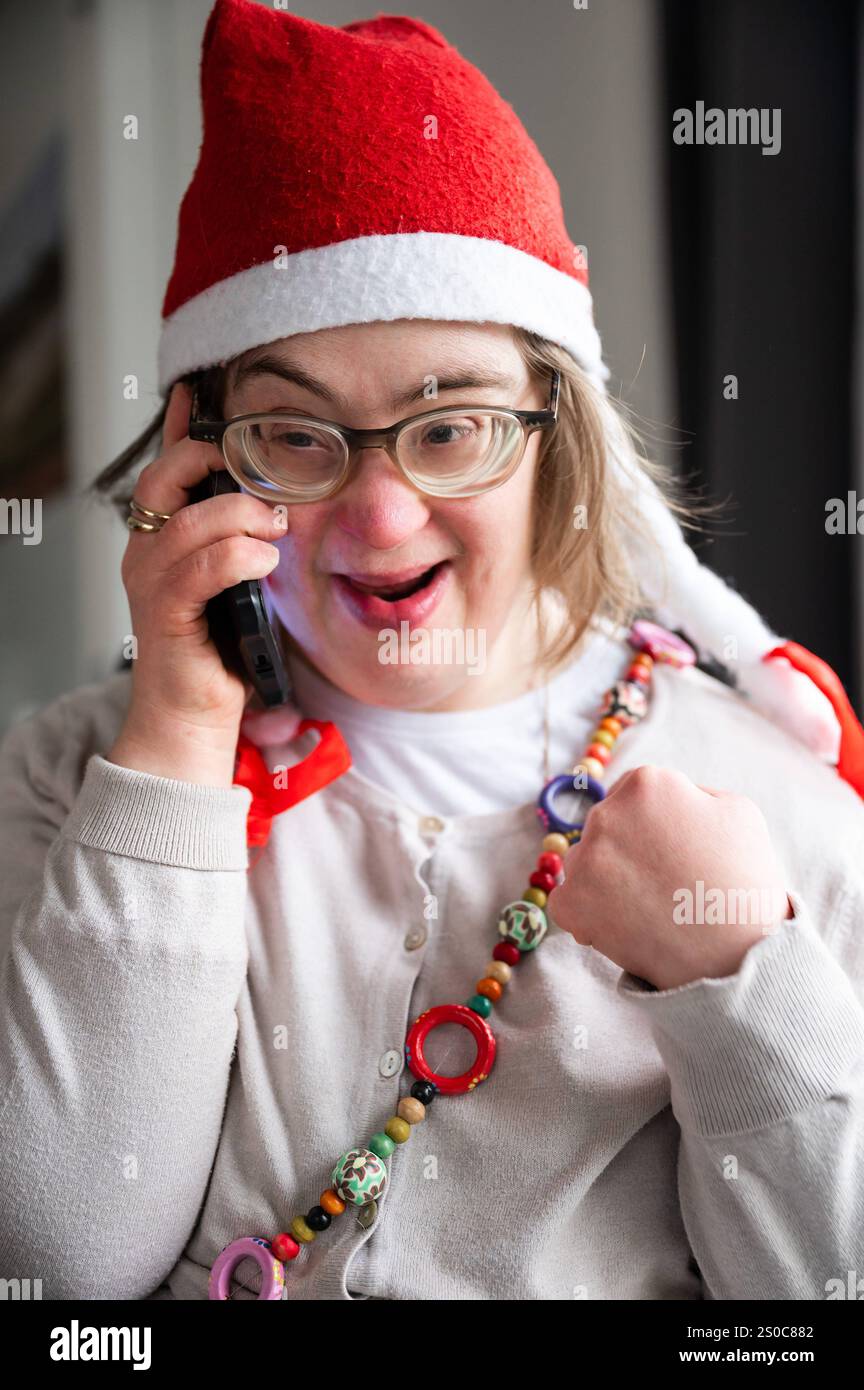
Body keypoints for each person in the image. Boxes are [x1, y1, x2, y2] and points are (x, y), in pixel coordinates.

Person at [1, 0, 863, 1302]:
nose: (383, 516)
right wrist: (176, 742)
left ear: (556, 435)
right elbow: (57, 1261)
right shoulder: (73, 777)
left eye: (450, 426)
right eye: (297, 436)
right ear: (200, 456)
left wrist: (736, 974)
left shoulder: (776, 811)